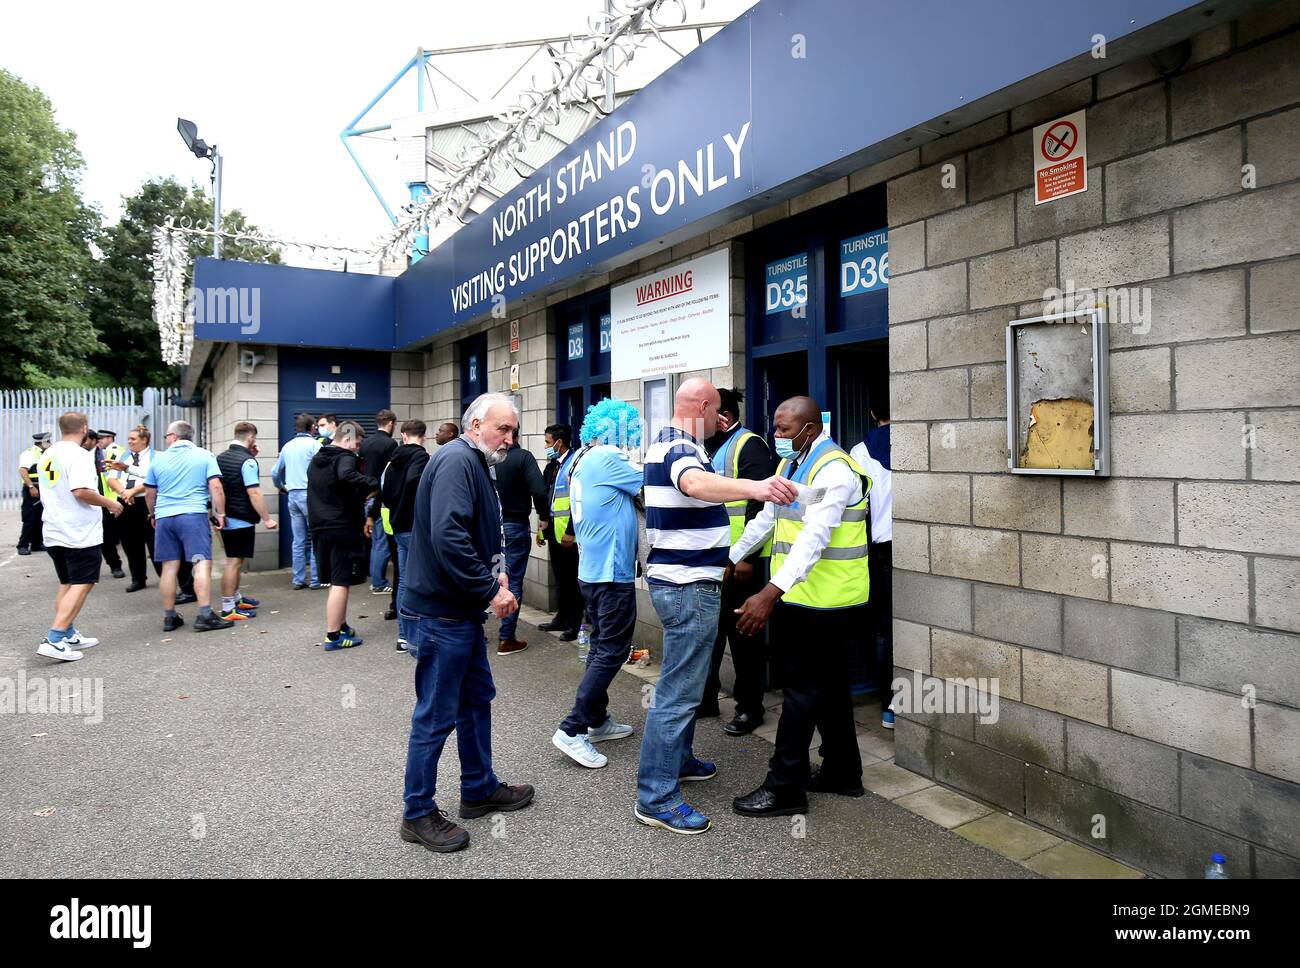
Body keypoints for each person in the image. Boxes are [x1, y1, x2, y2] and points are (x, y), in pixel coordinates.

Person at [635, 378, 798, 835]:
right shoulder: (681, 448)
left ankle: (679, 759)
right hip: (688, 587)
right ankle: (657, 798)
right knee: (678, 692)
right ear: (704, 406)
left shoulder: (667, 442)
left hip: (683, 583)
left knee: (683, 686)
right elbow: (696, 484)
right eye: (716, 413)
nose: (719, 422)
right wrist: (759, 488)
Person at [399, 393, 534, 854]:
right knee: (436, 714)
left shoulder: (475, 461)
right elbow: (448, 534)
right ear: (476, 425)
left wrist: (493, 570)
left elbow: (471, 531)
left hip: (457, 611)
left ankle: (478, 788)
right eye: (503, 429)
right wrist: (491, 589)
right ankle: (417, 813)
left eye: (514, 431)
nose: (510, 439)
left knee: (476, 699)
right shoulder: (458, 460)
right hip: (440, 612)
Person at [730, 396, 873, 818]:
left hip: (829, 601)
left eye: (785, 430)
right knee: (827, 688)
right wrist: (735, 555)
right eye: (775, 427)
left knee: (801, 692)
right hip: (802, 596)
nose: (777, 436)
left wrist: (767, 593)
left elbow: (816, 536)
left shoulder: (835, 469)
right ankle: (843, 773)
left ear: (810, 428)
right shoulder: (789, 466)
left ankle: (785, 786)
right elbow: (768, 519)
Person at [551, 400, 643, 769]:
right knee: (612, 650)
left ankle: (597, 720)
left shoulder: (581, 458)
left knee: (600, 646)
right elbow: (655, 482)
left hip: (591, 570)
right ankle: (572, 729)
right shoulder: (608, 458)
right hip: (611, 572)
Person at [700, 388, 774, 735]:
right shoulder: (709, 446)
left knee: (744, 639)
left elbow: (761, 504)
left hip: (741, 563)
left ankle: (750, 707)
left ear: (723, 416)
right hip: (716, 560)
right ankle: (707, 697)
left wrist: (746, 557)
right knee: (711, 634)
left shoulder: (750, 445)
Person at [35, 413, 123, 662]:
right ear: (84, 428)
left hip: (54, 529)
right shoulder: (79, 455)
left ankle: (68, 633)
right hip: (78, 532)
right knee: (83, 583)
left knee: (68, 583)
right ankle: (54, 638)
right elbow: (81, 490)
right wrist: (110, 503)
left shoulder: (48, 454)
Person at [144, 421, 233, 633]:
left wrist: (153, 513)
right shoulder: (204, 455)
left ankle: (169, 617)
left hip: (165, 518)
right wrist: (220, 513)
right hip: (192, 516)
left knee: (169, 566)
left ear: (174, 436)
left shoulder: (159, 459)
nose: (166, 439)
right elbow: (216, 486)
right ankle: (204, 615)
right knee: (200, 563)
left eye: (167, 435)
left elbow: (149, 492)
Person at [307, 420, 377, 650]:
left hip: (320, 526)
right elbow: (346, 475)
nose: (358, 447)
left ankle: (341, 623)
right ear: (346, 438)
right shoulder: (344, 458)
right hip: (341, 526)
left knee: (335, 579)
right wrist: (372, 484)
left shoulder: (319, 457)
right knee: (341, 582)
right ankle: (333, 636)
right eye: (356, 442)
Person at [851, 402, 893, 729]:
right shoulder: (916, 442)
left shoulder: (860, 452)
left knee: (882, 629)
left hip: (880, 549)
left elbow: (857, 507)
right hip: (915, 547)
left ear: (872, 412)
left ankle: (889, 705)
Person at [490, 430, 549, 655]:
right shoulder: (523, 457)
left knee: (493, 575)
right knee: (512, 580)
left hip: (492, 529)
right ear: (517, 434)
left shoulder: (489, 459)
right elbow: (540, 491)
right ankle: (506, 638)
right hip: (514, 527)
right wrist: (543, 517)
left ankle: (477, 632)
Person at [378, 419, 430, 653]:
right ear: (423, 437)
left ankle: (403, 636)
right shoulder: (421, 457)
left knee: (404, 581)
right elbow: (414, 480)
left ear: (404, 435)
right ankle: (420, 635)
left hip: (397, 526)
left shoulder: (392, 460)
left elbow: (385, 493)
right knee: (423, 581)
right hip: (415, 527)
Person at [217, 422, 277, 622]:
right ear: (251, 439)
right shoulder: (247, 462)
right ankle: (228, 608)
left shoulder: (221, 457)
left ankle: (235, 599)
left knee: (236, 560)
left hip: (226, 517)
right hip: (240, 518)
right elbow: (254, 492)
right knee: (234, 562)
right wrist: (267, 519)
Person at [539, 423, 582, 641]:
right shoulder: (552, 466)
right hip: (554, 532)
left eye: (548, 442)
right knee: (560, 578)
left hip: (569, 535)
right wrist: (543, 524)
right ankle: (561, 617)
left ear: (559, 442)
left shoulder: (574, 464)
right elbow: (549, 497)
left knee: (571, 580)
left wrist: (571, 530)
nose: (546, 446)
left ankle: (574, 624)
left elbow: (576, 501)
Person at [272, 413, 323, 590]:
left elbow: (274, 472)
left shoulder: (287, 446)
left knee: (298, 540)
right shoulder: (315, 445)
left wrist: (281, 486)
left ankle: (298, 580)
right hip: (310, 495)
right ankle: (316, 579)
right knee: (316, 537)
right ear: (312, 427)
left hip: (292, 495)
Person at [360, 409, 399, 595]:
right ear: (391, 423)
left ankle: (373, 576)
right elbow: (391, 474)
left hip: (365, 496)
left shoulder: (365, 442)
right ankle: (378, 583)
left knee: (373, 541)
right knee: (381, 542)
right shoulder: (390, 444)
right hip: (380, 497)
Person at [95, 429, 126, 578]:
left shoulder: (114, 451)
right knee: (107, 537)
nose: (99, 441)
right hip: (105, 500)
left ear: (110, 438)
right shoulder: (97, 452)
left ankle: (119, 566)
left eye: (101, 438)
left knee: (119, 536)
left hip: (116, 498)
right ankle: (116, 565)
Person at [16, 431, 51, 555]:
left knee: (40, 517)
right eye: (48, 442)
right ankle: (23, 545)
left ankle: (36, 543)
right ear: (43, 442)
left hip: (42, 489)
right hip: (32, 489)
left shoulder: (44, 454)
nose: (50, 444)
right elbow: (23, 470)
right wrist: (31, 487)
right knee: (30, 518)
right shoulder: (29, 453)